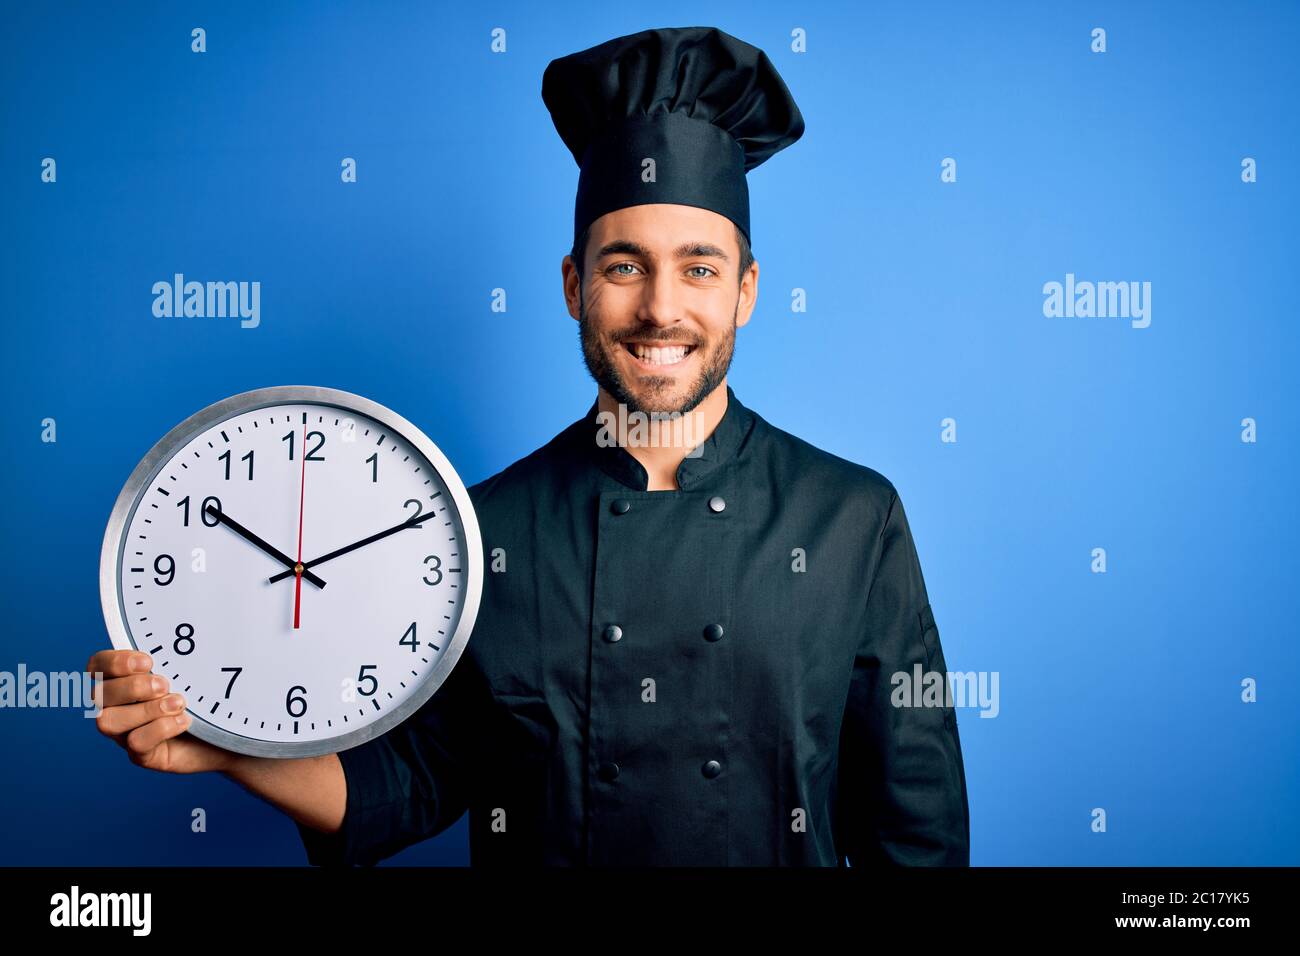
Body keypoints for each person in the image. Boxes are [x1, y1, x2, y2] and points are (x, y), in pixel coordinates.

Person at [87, 26, 970, 866]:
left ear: (745, 290)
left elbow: (915, 831)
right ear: (574, 285)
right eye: (625, 266)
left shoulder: (854, 520)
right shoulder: (480, 529)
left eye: (699, 268)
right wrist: (224, 747)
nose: (662, 308)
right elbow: (409, 783)